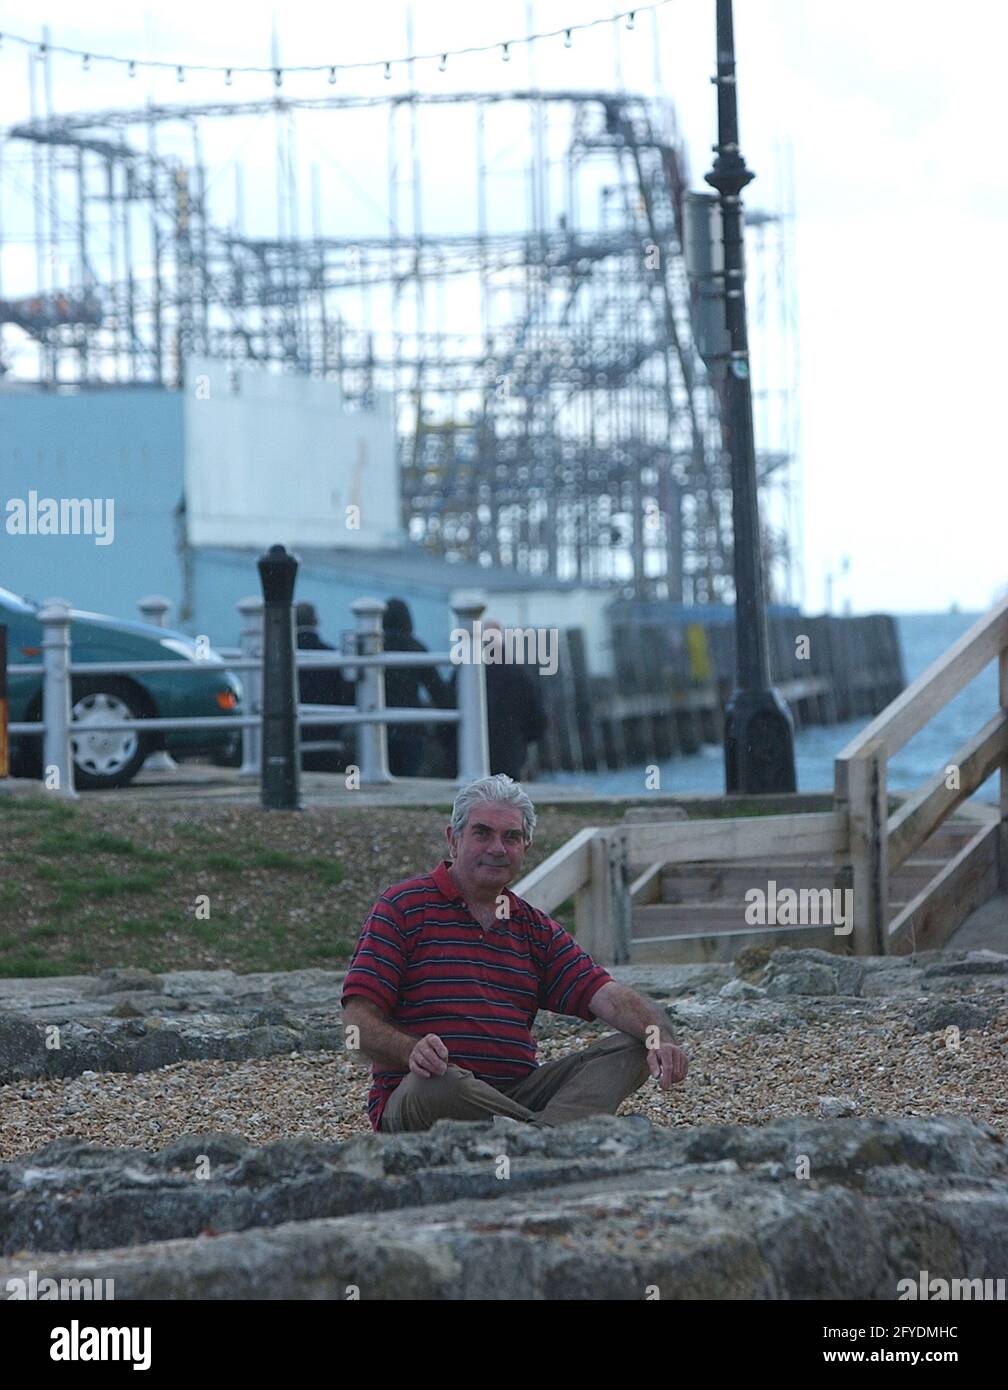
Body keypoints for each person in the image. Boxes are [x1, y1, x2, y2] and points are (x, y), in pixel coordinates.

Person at [340, 773, 689, 1133]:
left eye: (511, 837)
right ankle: (553, 1135)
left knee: (633, 1046)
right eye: (482, 833)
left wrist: (658, 1036)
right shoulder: (402, 907)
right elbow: (356, 1024)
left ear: (526, 847)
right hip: (428, 1094)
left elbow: (609, 996)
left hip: (518, 1093)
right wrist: (409, 1050)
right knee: (436, 1081)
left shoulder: (533, 928)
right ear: (453, 839)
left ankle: (532, 1134)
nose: (497, 848)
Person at [437, 619, 549, 780]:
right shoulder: (519, 674)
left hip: (465, 756)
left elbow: (445, 718)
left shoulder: (463, 674)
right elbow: (538, 722)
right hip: (508, 758)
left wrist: (450, 744)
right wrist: (519, 740)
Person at [381, 597, 452, 777]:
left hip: (381, 726)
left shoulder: (376, 648)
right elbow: (439, 692)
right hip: (411, 727)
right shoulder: (416, 647)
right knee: (407, 777)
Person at [295, 601, 354, 772]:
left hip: (294, 739)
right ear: (316, 622)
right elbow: (347, 695)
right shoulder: (332, 655)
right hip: (329, 738)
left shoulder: (282, 655)